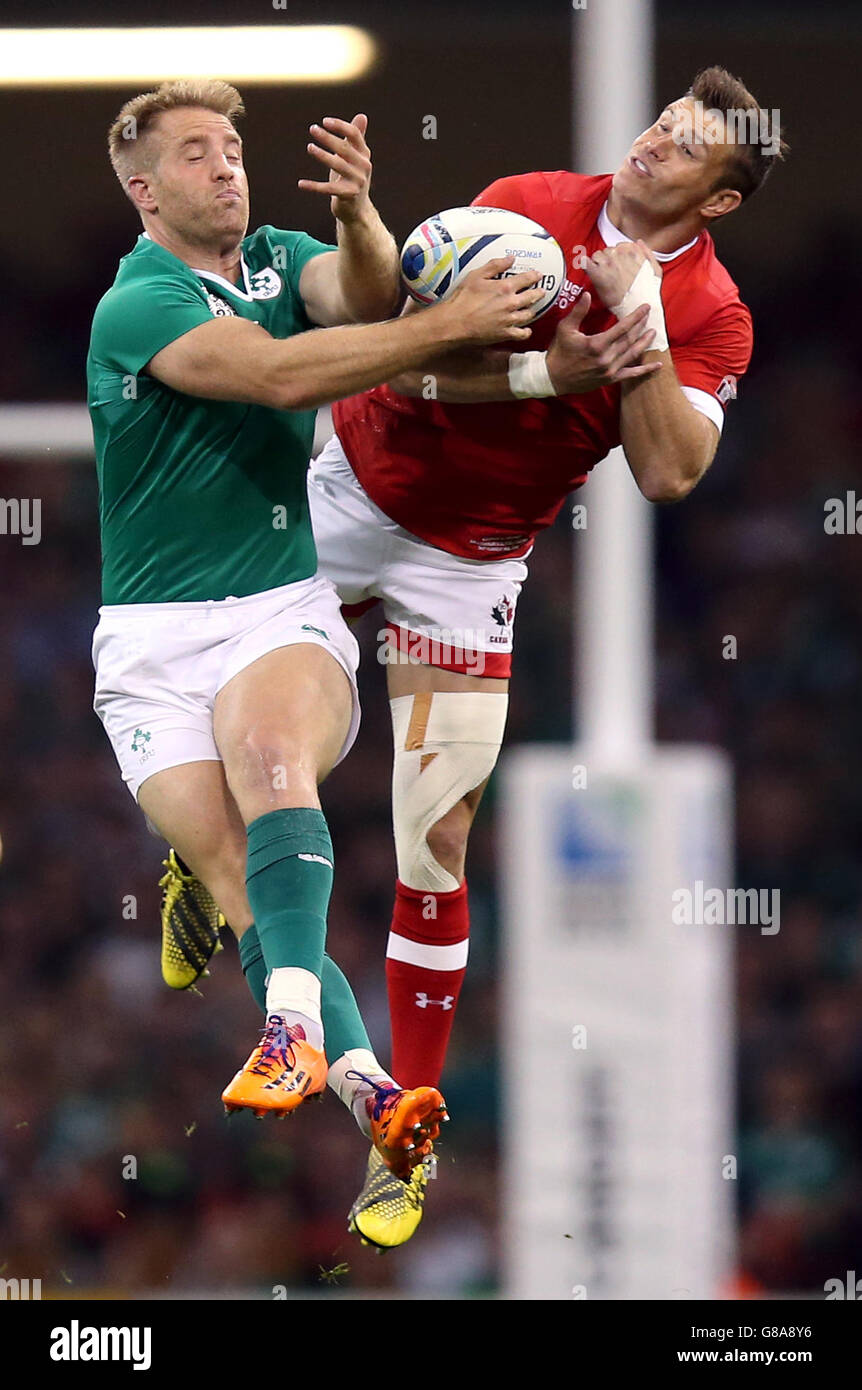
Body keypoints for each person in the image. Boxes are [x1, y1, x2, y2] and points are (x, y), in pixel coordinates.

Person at [164, 65, 786, 1248]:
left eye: (689, 143)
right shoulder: (527, 201)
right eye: (661, 121)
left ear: (723, 200)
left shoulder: (711, 315)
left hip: (472, 556)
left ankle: (405, 1128)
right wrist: (556, 369)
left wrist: (632, 331)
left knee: (437, 833)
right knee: (213, 687)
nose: (654, 144)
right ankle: (199, 856)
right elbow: (398, 356)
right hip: (350, 487)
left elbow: (666, 472)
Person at [88, 78, 547, 1191]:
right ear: (145, 190)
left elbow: (359, 288)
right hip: (146, 650)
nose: (228, 166)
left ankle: (287, 1026)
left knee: (270, 762)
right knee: (242, 884)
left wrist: (354, 213)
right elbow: (279, 372)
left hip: (275, 611)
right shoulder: (139, 303)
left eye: (234, 146)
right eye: (198, 154)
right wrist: (446, 327)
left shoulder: (276, 254)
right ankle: (370, 1092)